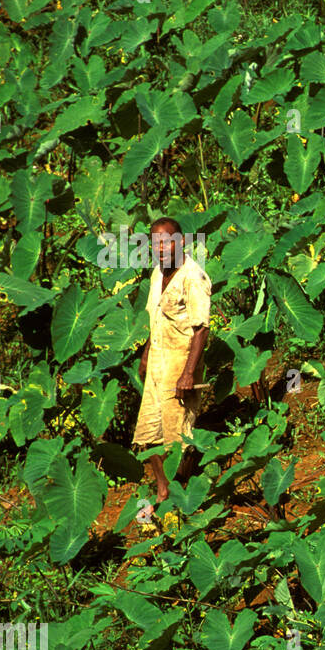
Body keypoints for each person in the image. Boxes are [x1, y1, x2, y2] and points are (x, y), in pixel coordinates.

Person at [132, 217, 211, 511]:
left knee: (177, 437)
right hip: (157, 362)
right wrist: (146, 353)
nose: (160, 249)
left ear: (180, 242)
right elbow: (157, 318)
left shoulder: (194, 277)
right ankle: (163, 490)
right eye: (155, 244)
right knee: (149, 434)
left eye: (166, 242)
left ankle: (182, 499)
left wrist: (189, 372)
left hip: (179, 363)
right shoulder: (157, 273)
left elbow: (201, 328)